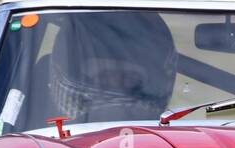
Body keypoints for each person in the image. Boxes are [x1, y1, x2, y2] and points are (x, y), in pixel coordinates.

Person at [46, 11, 178, 122]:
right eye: (103, 78)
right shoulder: (36, 137)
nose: (115, 84)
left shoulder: (175, 141)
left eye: (129, 79)